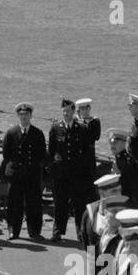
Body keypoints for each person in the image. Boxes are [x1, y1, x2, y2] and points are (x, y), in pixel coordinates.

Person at [0, 102, 47, 240]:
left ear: (30, 115)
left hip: (32, 173)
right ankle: (13, 231)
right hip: (16, 174)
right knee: (14, 204)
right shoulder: (11, 133)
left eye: (26, 114)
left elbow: (41, 154)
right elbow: (6, 153)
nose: (23, 117)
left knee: (34, 204)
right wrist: (7, 172)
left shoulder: (37, 133)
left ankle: (34, 232)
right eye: (21, 114)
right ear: (18, 116)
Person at [48, 98, 81, 239]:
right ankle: (58, 231)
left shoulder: (81, 128)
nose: (65, 114)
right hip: (60, 172)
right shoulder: (56, 128)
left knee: (78, 203)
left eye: (68, 111)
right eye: (63, 111)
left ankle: (80, 232)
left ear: (73, 111)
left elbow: (84, 150)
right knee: (60, 202)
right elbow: (51, 150)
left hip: (75, 171)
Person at [71, 98, 102, 218]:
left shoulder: (94, 121)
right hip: (78, 158)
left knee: (90, 187)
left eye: (87, 108)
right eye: (82, 109)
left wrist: (83, 123)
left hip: (89, 157)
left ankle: (92, 213)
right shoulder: (75, 122)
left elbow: (95, 136)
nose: (85, 111)